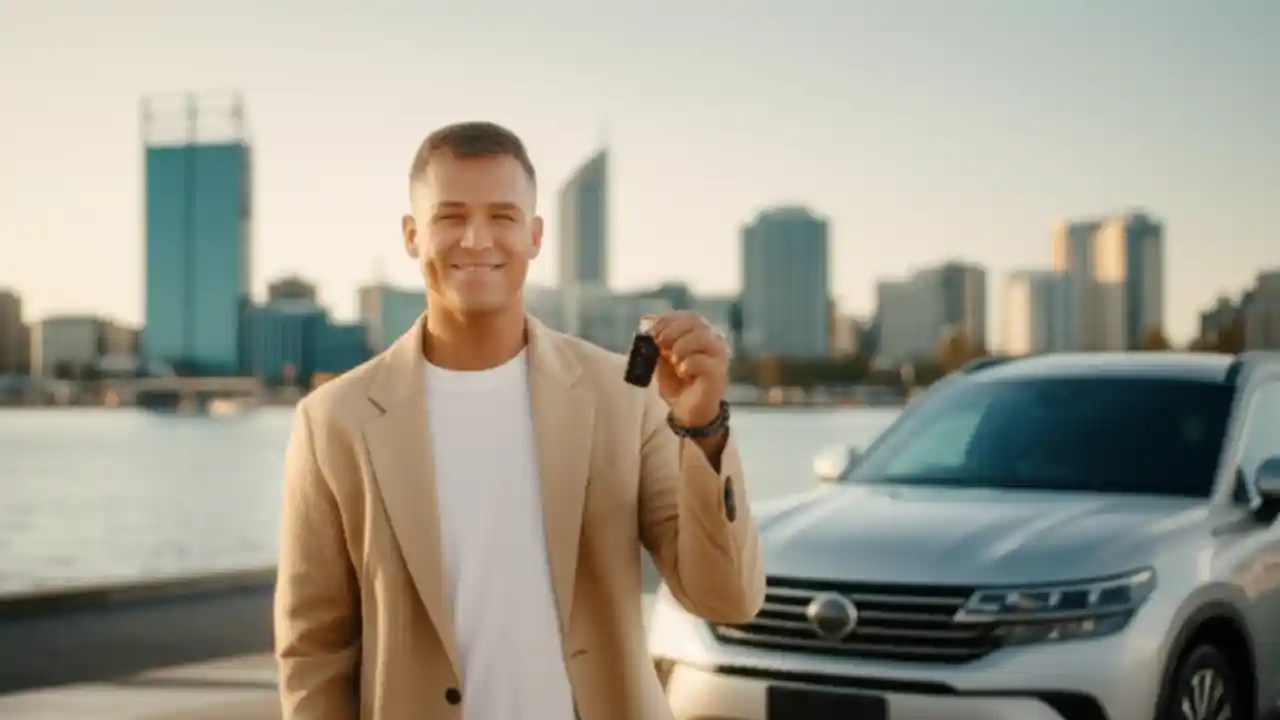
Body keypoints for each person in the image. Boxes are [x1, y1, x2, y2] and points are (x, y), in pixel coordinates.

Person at [273, 121, 765, 720]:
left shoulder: (625, 397)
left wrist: (705, 430)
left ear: (534, 236)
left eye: (503, 217)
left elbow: (726, 599)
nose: (477, 239)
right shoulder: (333, 422)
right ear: (411, 234)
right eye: (450, 216)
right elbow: (313, 652)